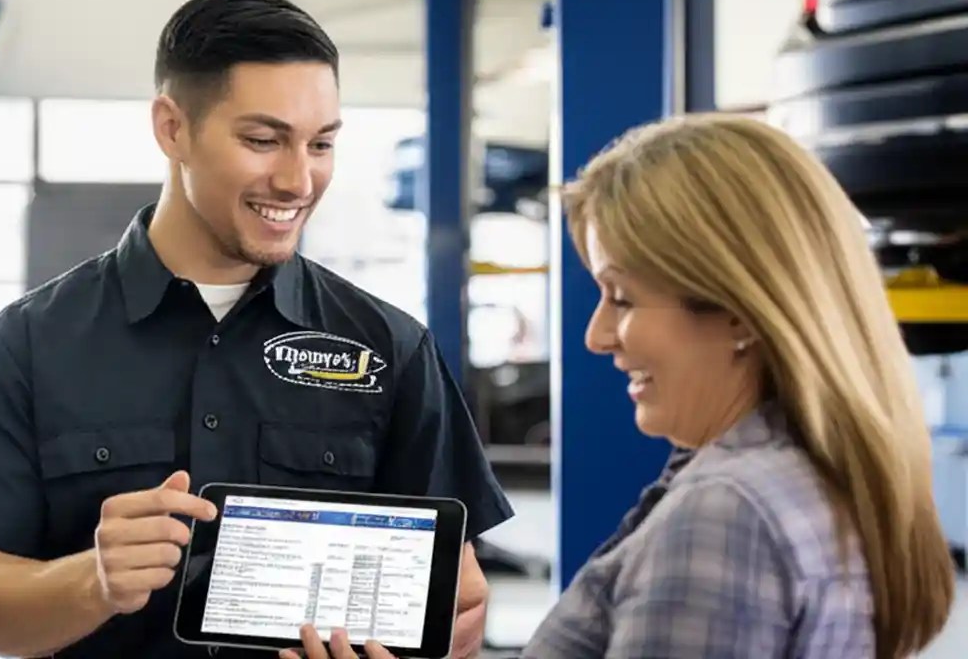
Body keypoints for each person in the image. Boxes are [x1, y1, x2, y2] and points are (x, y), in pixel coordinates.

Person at [0, 0, 514, 659]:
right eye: (262, 140)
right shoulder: (30, 344)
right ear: (173, 128)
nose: (298, 180)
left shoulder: (388, 349)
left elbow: (460, 601)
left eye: (321, 144)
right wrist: (96, 580)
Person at [290, 113, 959, 659]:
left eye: (622, 299)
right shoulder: (812, 479)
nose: (598, 336)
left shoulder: (725, 514)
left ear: (736, 311)